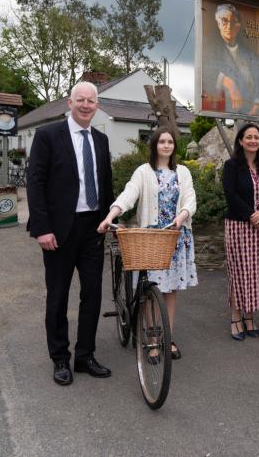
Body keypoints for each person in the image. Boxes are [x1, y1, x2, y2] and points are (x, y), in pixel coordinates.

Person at [26, 81, 114, 386]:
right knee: (58, 296)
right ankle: (60, 359)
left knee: (92, 295)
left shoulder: (101, 140)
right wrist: (42, 228)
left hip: (93, 228)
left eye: (92, 101)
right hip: (59, 231)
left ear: (97, 105)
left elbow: (106, 185)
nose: (87, 105)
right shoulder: (48, 135)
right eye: (81, 100)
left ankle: (85, 356)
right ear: (69, 102)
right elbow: (34, 184)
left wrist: (108, 221)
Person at [98, 128, 198, 358]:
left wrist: (182, 216)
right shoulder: (143, 172)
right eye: (161, 141)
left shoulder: (182, 172)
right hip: (151, 240)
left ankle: (168, 338)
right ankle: (152, 340)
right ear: (154, 145)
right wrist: (111, 216)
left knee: (170, 291)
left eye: (170, 141)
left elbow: (191, 199)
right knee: (151, 291)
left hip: (175, 237)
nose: (166, 145)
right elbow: (128, 195)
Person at [222, 123, 259, 340]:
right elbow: (230, 194)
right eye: (249, 137)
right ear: (240, 141)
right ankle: (236, 317)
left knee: (257, 272)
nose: (253, 141)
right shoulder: (231, 165)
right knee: (239, 272)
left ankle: (249, 316)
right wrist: (250, 215)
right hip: (238, 226)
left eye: (256, 137)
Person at [202, 3, 259, 117]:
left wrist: (257, 106)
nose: (229, 27)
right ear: (218, 22)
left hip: (257, 115)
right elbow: (205, 75)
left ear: (238, 26)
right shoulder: (209, 50)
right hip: (229, 115)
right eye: (224, 21)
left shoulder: (252, 56)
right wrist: (228, 82)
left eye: (233, 22)